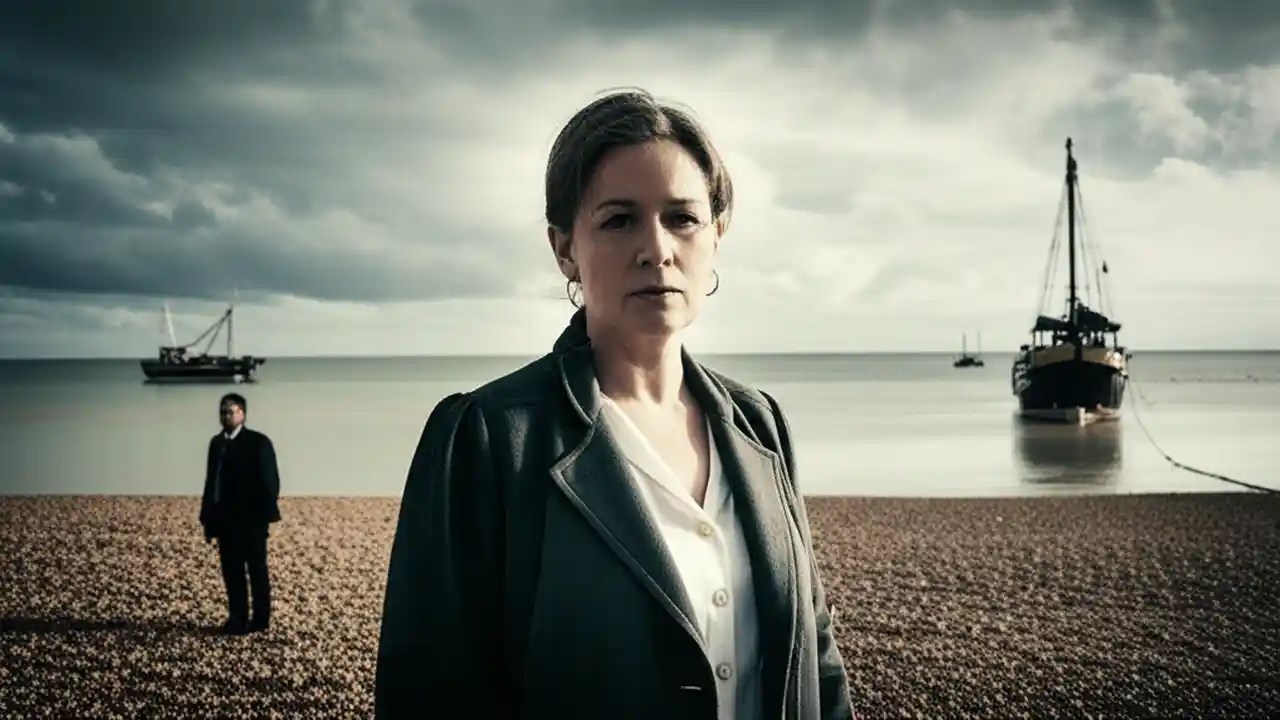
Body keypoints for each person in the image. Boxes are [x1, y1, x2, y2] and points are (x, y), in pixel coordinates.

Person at [375, 89, 854, 719]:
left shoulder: (758, 425)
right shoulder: (489, 438)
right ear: (565, 248)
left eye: (682, 218)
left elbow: (816, 657)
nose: (655, 248)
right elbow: (431, 694)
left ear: (717, 235)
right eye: (619, 219)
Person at [199, 392, 281, 636]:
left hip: (252, 520)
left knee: (257, 570)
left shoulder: (258, 442)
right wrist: (207, 518)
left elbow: (270, 481)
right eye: (223, 411)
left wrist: (268, 516)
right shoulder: (216, 444)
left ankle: (261, 619)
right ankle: (237, 618)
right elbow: (211, 482)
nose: (225, 416)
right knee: (231, 571)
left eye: (231, 411)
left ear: (242, 414)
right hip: (225, 520)